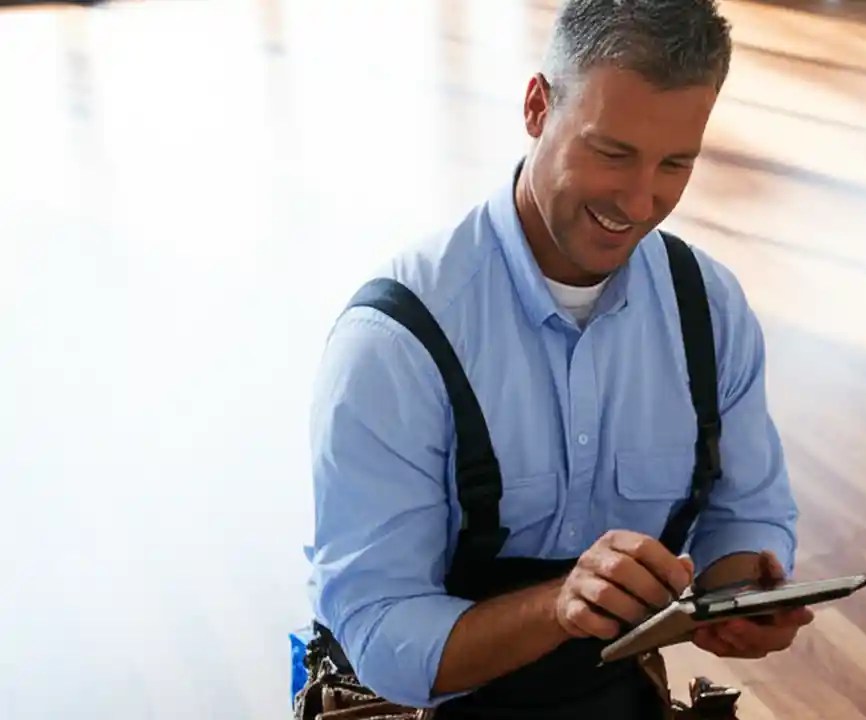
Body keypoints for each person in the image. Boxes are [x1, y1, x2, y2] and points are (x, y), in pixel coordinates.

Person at [298, 1, 813, 718]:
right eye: (612, 152)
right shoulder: (394, 341)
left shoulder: (712, 310)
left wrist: (738, 594)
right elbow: (382, 635)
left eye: (675, 164)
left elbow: (747, 511)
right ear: (538, 106)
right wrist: (561, 606)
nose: (639, 202)